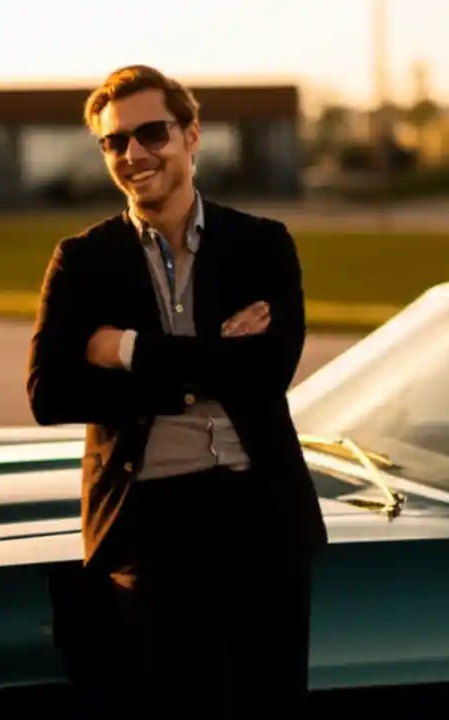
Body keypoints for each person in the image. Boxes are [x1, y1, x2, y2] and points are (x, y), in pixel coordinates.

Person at [26, 65, 327, 719]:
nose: (134, 154)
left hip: (263, 515)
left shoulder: (262, 245)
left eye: (152, 134)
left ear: (192, 136)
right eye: (115, 142)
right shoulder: (81, 262)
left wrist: (126, 350)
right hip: (149, 524)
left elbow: (268, 373)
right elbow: (49, 393)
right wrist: (213, 361)